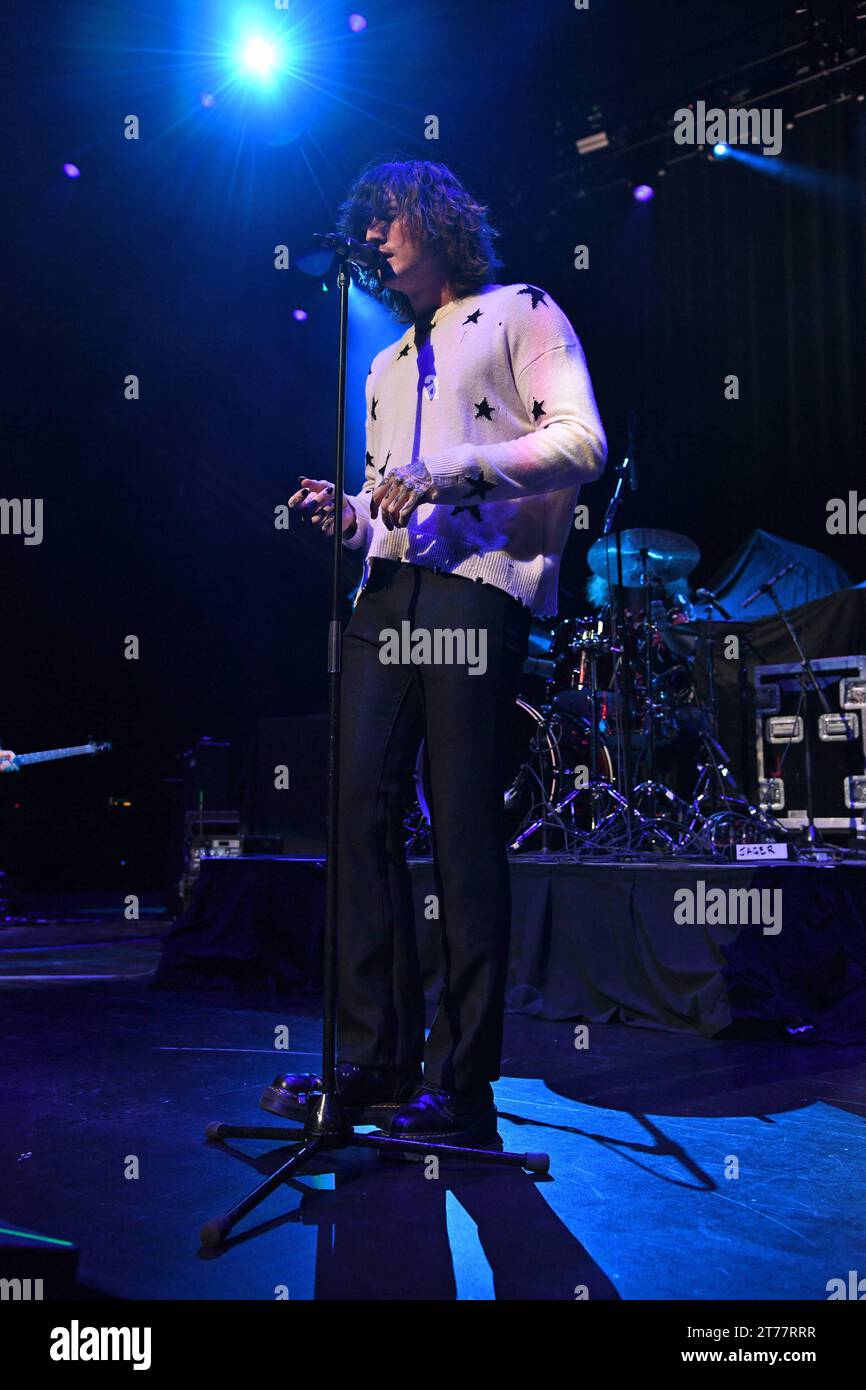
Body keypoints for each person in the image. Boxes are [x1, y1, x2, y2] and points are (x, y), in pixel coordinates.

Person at [262, 158, 607, 1143]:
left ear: (439, 217)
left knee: (460, 829)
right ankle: (375, 1056)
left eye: (387, 216)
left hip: (476, 593)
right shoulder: (379, 364)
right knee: (356, 812)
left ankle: (459, 1084)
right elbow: (388, 516)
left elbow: (580, 442)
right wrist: (348, 519)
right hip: (388, 595)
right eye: (362, 222)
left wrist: (453, 469)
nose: (373, 235)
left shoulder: (519, 311)